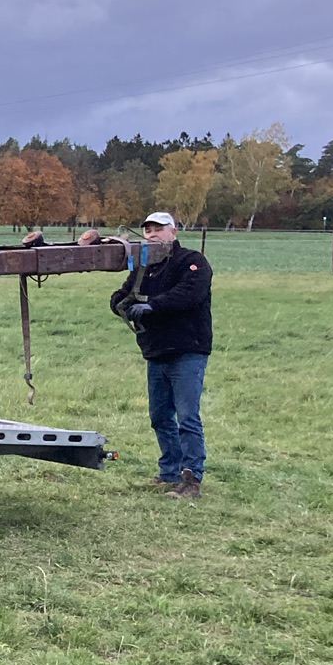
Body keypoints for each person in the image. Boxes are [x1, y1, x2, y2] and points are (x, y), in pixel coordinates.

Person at [109, 212, 213, 498]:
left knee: (188, 417)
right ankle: (170, 471)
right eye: (149, 230)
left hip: (187, 349)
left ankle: (192, 480)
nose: (152, 234)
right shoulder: (145, 268)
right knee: (160, 417)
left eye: (158, 229)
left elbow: (188, 294)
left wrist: (153, 306)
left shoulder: (192, 262)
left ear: (173, 232)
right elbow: (123, 294)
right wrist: (121, 306)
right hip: (156, 351)